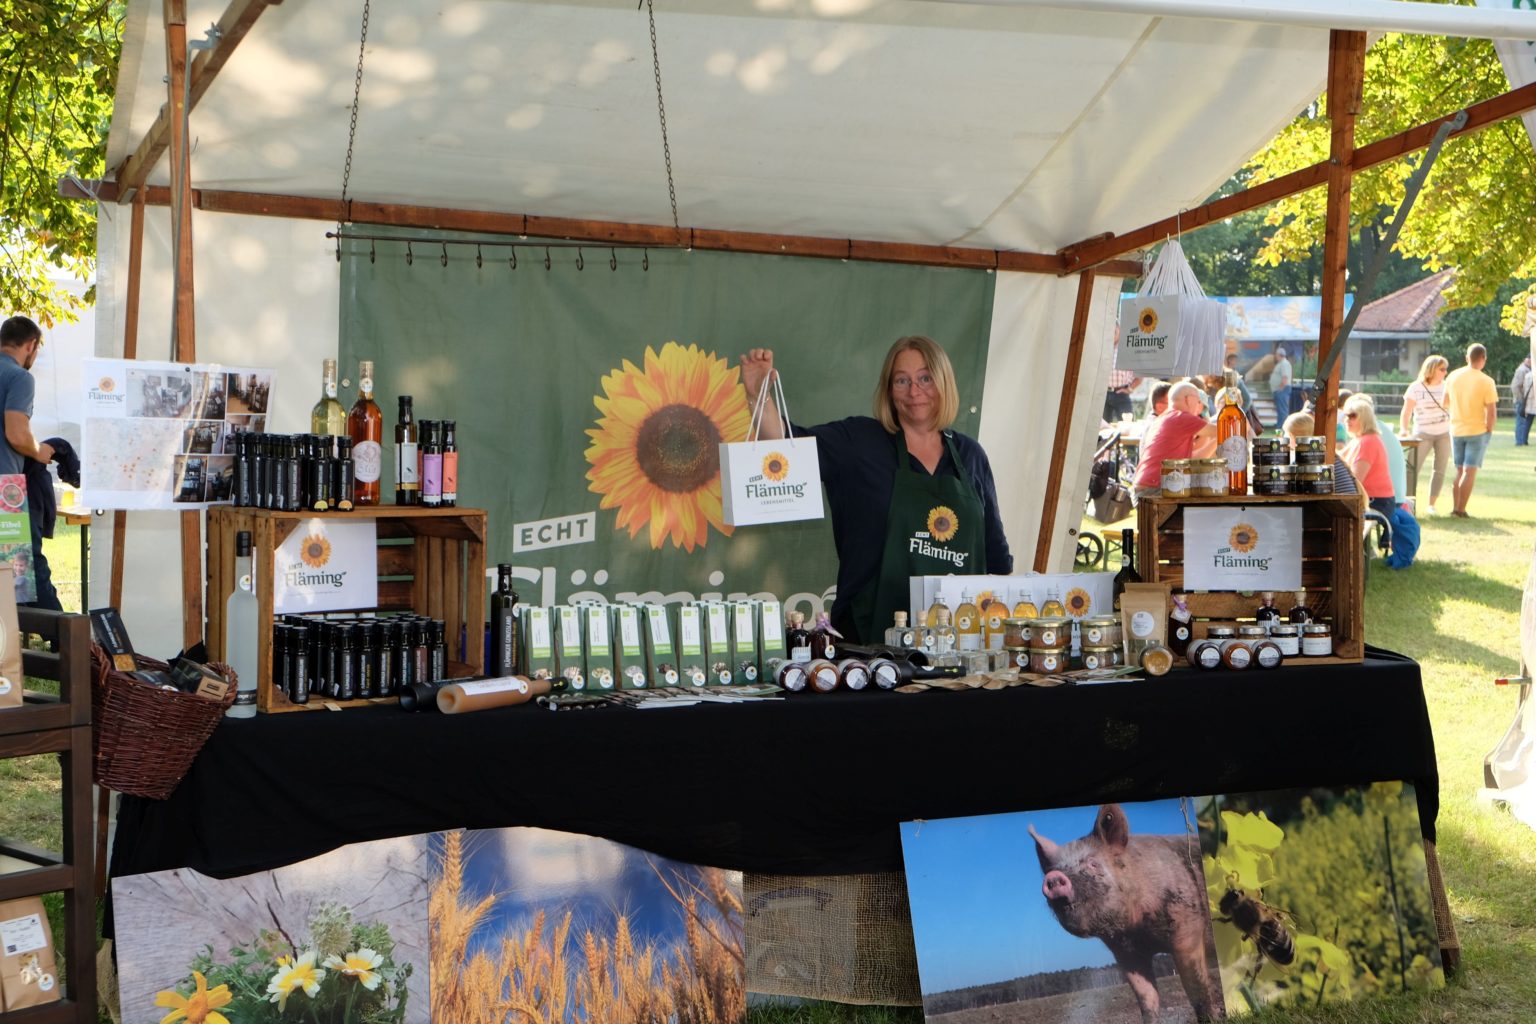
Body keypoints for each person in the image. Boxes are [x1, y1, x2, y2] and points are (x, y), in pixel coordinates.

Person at [738, 337, 1011, 644]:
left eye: (925, 378)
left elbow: (996, 560)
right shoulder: (859, 443)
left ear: (944, 382)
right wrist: (758, 393)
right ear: (888, 390)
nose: (914, 391)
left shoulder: (971, 455)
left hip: (956, 648)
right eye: (901, 380)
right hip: (869, 646)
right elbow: (785, 451)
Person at [0, 316, 58, 609]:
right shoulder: (20, 378)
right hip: (4, 488)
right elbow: (17, 433)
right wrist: (39, 451)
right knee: (14, 581)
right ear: (31, 345)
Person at [1130, 381, 1217, 498]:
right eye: (1198, 401)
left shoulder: (1165, 417)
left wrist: (1217, 440)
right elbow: (1224, 430)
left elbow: (1195, 459)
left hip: (1146, 488)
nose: (1199, 407)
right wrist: (1238, 421)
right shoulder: (1181, 417)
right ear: (1189, 399)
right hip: (1154, 489)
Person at [1445, 343, 1499, 518]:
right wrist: (1489, 429)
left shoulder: (1453, 376)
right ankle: (1461, 509)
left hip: (1456, 428)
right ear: (1483, 358)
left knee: (1459, 470)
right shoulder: (1486, 381)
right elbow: (1491, 411)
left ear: (1467, 357)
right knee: (1470, 471)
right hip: (1476, 430)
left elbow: (1445, 402)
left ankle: (1455, 507)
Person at [1400, 354, 1451, 514]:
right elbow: (1406, 411)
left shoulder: (1447, 386)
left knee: (1440, 469)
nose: (1445, 372)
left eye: (1446, 369)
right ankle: (1407, 502)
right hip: (1422, 432)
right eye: (1442, 369)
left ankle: (1431, 505)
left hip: (1444, 432)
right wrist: (1404, 428)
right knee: (1412, 469)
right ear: (1431, 370)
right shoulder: (1416, 387)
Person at [1340, 396, 1397, 523]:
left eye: (1352, 416)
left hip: (1376, 502)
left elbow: (1355, 481)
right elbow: (1337, 457)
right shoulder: (1359, 439)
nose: (1347, 420)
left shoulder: (1368, 442)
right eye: (1346, 416)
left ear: (1364, 418)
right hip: (1371, 499)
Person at [1283, 412, 1356, 494]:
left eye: (1285, 433)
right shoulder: (1323, 453)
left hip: (1339, 505)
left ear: (1291, 436)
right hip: (1348, 503)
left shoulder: (1305, 458)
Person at [1269, 346, 1293, 429]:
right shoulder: (1281, 364)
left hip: (1282, 390)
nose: (1275, 356)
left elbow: (1285, 378)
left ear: (1279, 355)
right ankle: (1279, 427)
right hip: (1280, 390)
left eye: (1276, 354)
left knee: (1283, 411)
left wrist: (1280, 389)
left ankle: (1283, 428)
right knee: (1280, 410)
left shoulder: (1284, 364)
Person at [1511, 356, 1534, 446]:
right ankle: (1519, 441)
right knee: (1521, 421)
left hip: (1526, 401)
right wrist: (1521, 399)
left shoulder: (1528, 370)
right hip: (1522, 400)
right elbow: (1515, 386)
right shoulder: (1522, 370)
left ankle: (1522, 440)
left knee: (1525, 421)